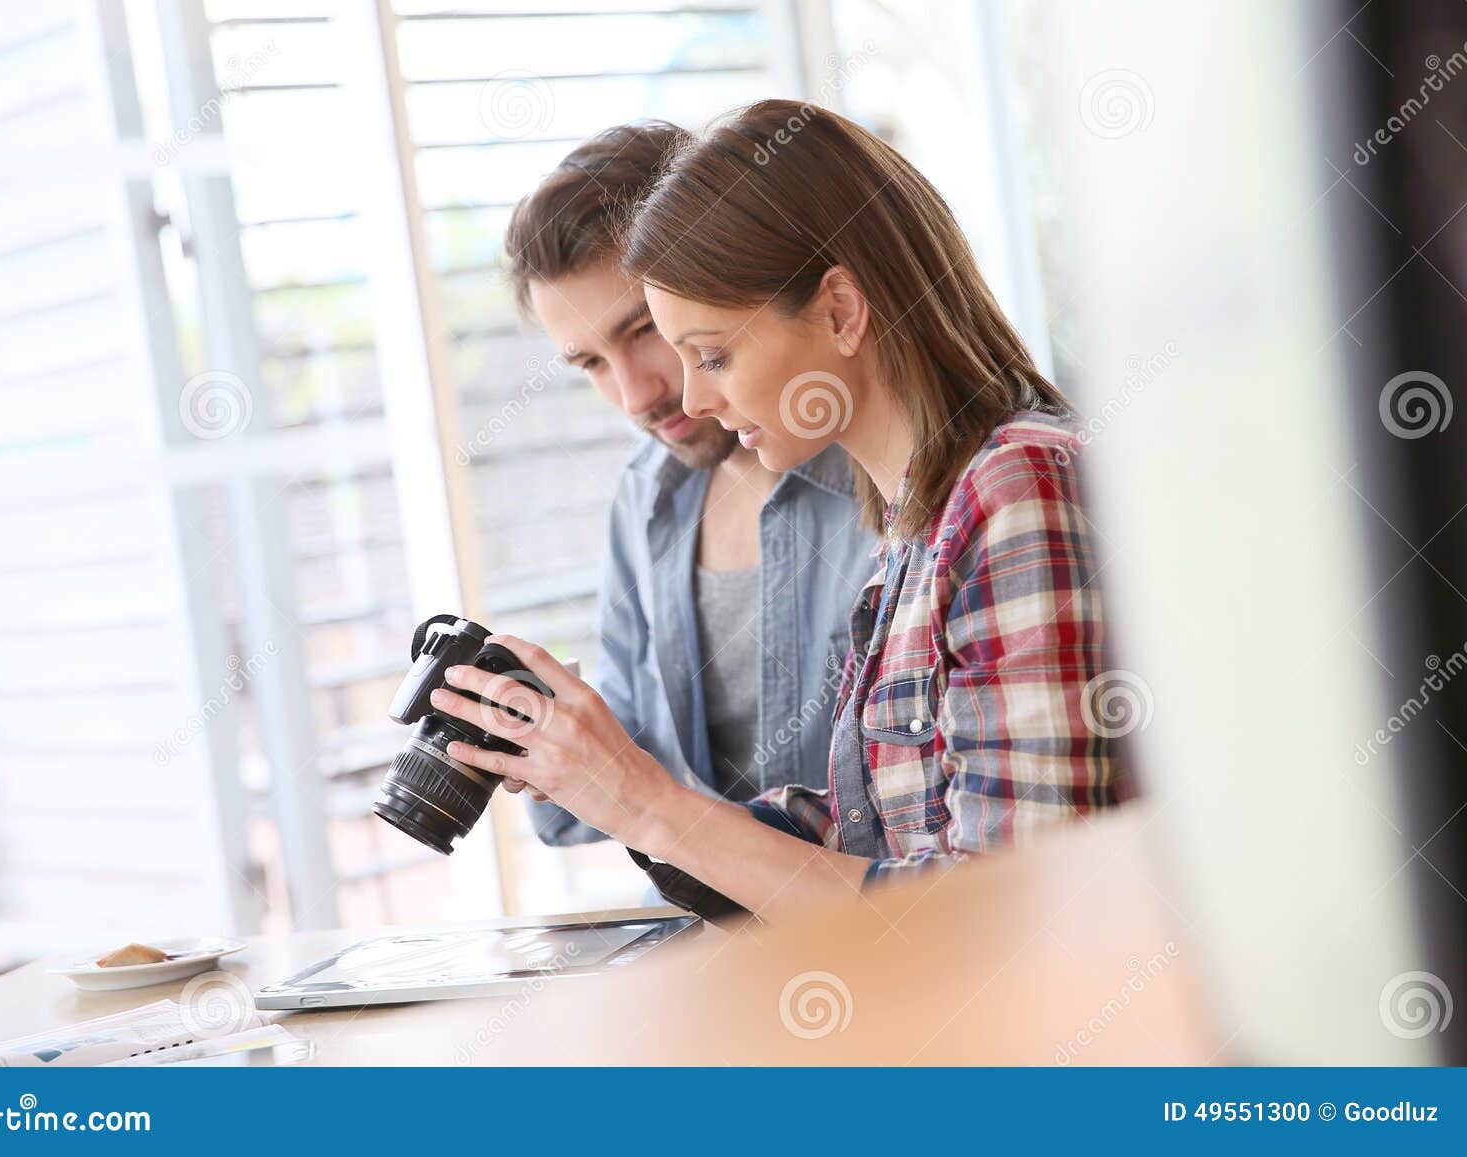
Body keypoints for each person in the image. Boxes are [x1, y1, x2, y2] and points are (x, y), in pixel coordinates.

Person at [445, 101, 1124, 914]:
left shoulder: (1014, 490)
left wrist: (648, 803)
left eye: (714, 354)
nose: (684, 395)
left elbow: (1017, 911)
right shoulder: (915, 519)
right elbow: (870, 828)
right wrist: (596, 774)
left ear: (839, 312)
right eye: (592, 361)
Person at [501, 122, 881, 845]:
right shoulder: (646, 497)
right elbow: (634, 761)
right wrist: (540, 741)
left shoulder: (896, 477)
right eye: (589, 364)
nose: (635, 393)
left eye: (644, 329)